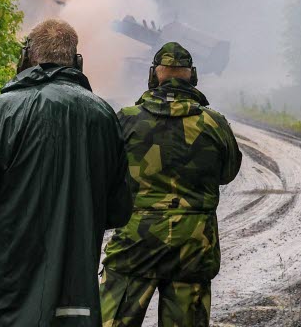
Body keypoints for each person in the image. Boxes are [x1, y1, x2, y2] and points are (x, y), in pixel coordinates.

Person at [0, 18, 133, 326]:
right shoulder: (104, 117)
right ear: (77, 62)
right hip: (69, 307)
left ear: (26, 58)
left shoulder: (2, 110)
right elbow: (119, 211)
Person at [99, 42, 242, 327]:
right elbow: (227, 173)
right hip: (194, 245)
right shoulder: (214, 123)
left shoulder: (126, 120)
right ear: (193, 76)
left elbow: (106, 174)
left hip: (136, 241)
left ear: (154, 76)